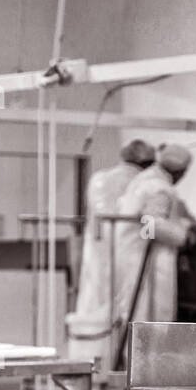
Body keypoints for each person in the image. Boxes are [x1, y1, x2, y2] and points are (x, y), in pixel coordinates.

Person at [70, 138, 156, 365]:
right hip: (129, 255)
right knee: (129, 310)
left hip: (98, 251)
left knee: (99, 306)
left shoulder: (100, 179)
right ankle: (123, 362)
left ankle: (99, 363)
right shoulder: (142, 184)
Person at [114, 143, 196, 325]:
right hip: (148, 263)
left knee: (135, 313)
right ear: (180, 172)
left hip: (132, 257)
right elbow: (149, 224)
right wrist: (183, 235)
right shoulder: (158, 187)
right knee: (149, 316)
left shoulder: (140, 182)